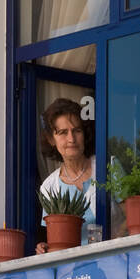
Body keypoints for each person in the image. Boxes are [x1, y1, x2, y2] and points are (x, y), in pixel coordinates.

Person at [35, 97, 96, 253]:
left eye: (77, 130)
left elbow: (129, 219)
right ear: (51, 139)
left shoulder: (106, 167)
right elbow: (56, 239)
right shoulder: (49, 187)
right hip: (74, 271)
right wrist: (44, 248)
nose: (71, 139)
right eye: (62, 132)